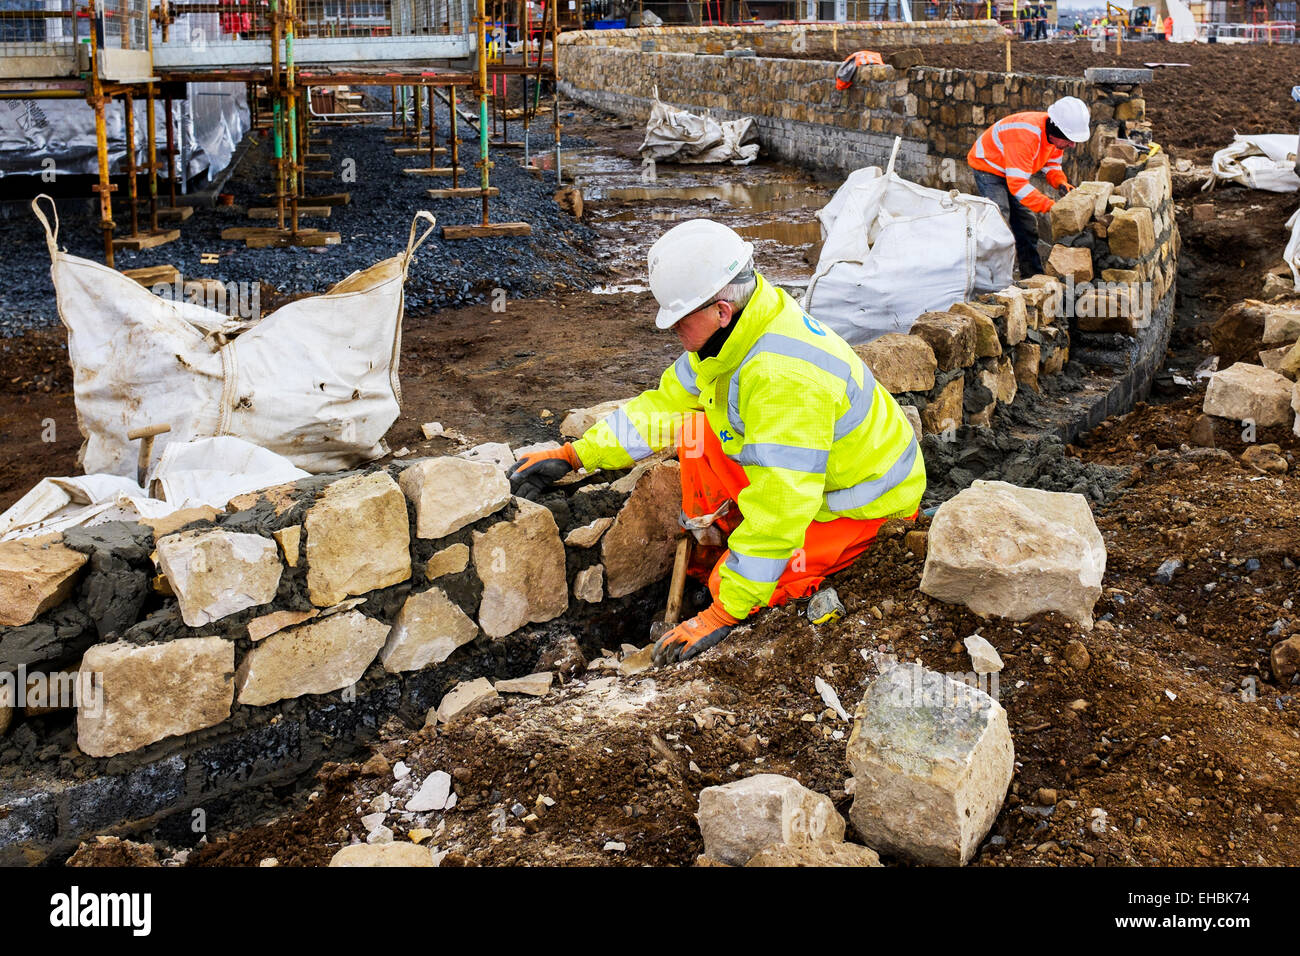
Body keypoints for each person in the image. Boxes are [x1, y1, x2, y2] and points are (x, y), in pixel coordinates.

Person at [507, 220, 926, 665]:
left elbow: (783, 504)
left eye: (677, 320)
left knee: (745, 581)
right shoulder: (731, 337)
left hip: (859, 506)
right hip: (807, 477)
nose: (670, 331)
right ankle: (716, 538)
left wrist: (724, 609)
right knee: (693, 428)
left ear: (720, 311)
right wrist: (577, 454)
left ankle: (726, 572)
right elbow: (666, 406)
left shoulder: (781, 377)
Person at [967, 96, 1092, 278]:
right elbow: (1018, 186)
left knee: (1026, 224)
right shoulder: (1026, 136)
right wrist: (1051, 207)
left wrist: (1060, 182)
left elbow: (1052, 166)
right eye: (1069, 139)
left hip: (1010, 170)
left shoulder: (1056, 136)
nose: (1072, 145)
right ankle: (991, 278)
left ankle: (1031, 276)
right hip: (988, 166)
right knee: (998, 221)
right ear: (1056, 130)